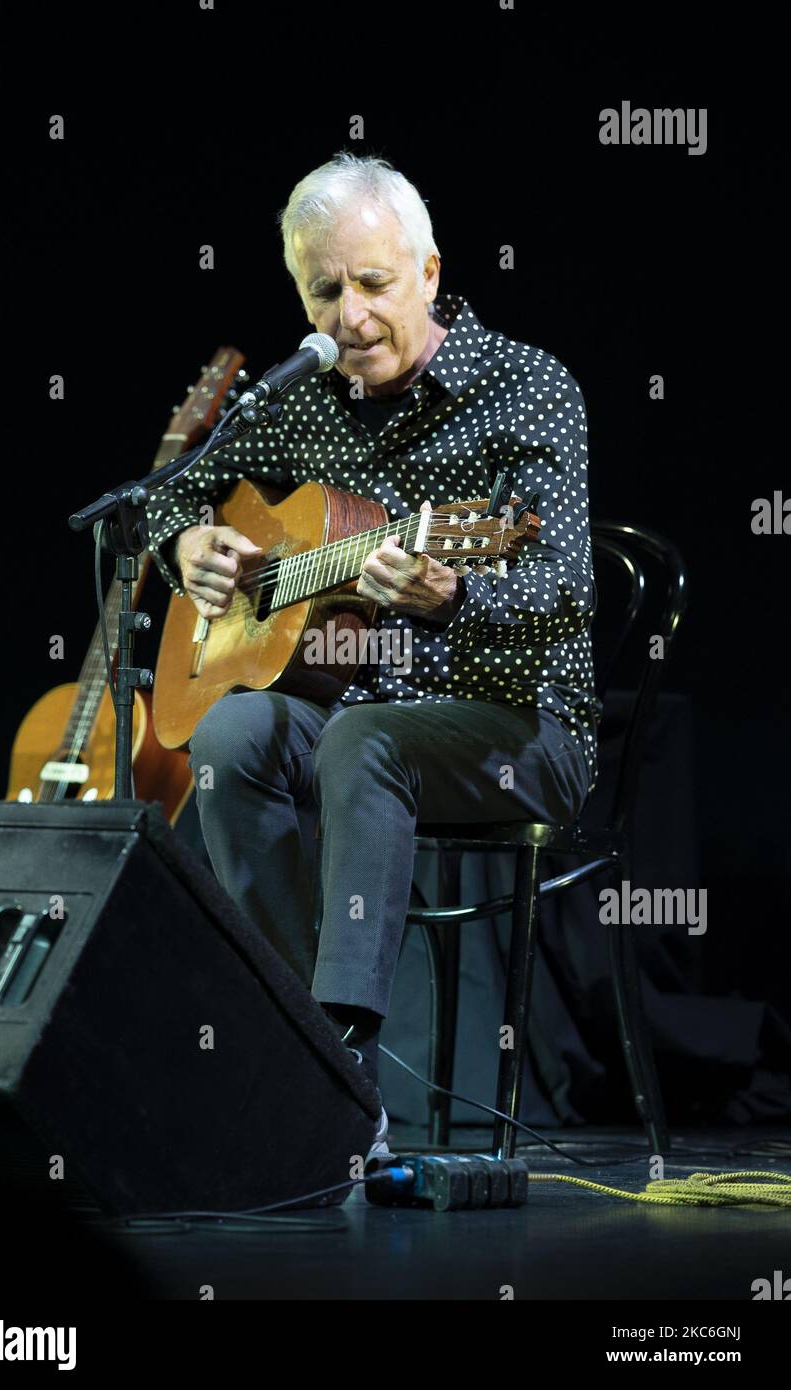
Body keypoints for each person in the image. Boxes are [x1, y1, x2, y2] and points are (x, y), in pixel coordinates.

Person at [144, 152, 601, 1151]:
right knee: (228, 731)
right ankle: (291, 1035)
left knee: (362, 741)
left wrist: (453, 592)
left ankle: (340, 1086)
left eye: (372, 283)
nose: (347, 317)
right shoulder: (304, 402)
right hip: (361, 716)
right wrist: (187, 547)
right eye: (323, 290)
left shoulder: (523, 388)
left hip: (519, 732)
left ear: (428, 272)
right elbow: (171, 490)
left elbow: (563, 592)